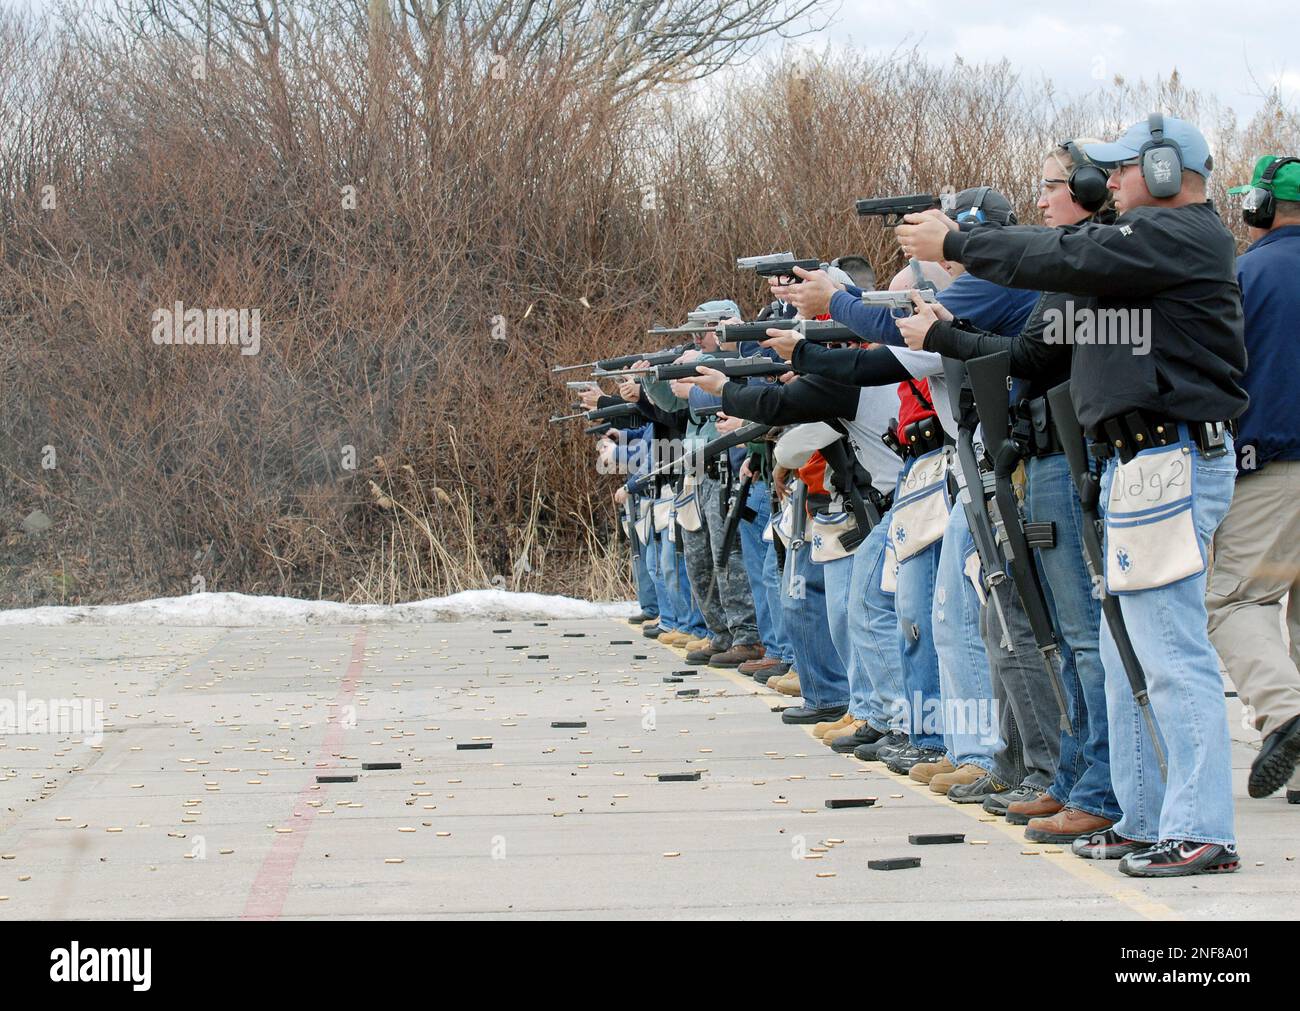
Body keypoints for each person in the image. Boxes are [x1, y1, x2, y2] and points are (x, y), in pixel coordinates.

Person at [899, 114, 1248, 876]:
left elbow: (1060, 253)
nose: (1111, 181)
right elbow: (1053, 293)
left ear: (1164, 169)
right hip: (1137, 464)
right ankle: (1146, 814)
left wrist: (957, 245)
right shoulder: (1141, 251)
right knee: (1131, 656)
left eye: (1124, 167)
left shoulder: (1183, 234)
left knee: (1170, 655)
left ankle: (1202, 828)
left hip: (1170, 459)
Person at [896, 141, 1123, 843]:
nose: (1045, 198)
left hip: (1063, 456)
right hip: (1039, 452)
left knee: (1074, 636)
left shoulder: (1082, 261)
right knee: (1049, 632)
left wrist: (941, 331)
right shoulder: (1068, 264)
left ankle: (1096, 785)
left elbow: (1030, 355)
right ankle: (1075, 777)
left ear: (1088, 188)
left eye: (1054, 185)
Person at [1209, 154, 1300, 805]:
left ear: (1260, 208)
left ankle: (1285, 711)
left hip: (1272, 464)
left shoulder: (1246, 273)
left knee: (1233, 599)